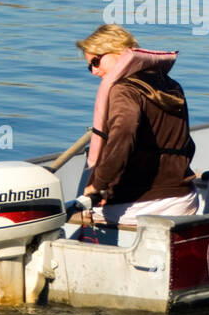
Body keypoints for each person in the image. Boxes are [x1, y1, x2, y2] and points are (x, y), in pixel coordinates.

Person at [77, 24, 199, 225]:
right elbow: (188, 144)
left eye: (96, 61)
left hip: (146, 204)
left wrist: (98, 184)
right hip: (185, 198)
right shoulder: (171, 84)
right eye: (90, 66)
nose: (94, 71)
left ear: (117, 50)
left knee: (78, 216)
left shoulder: (124, 90)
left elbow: (123, 137)